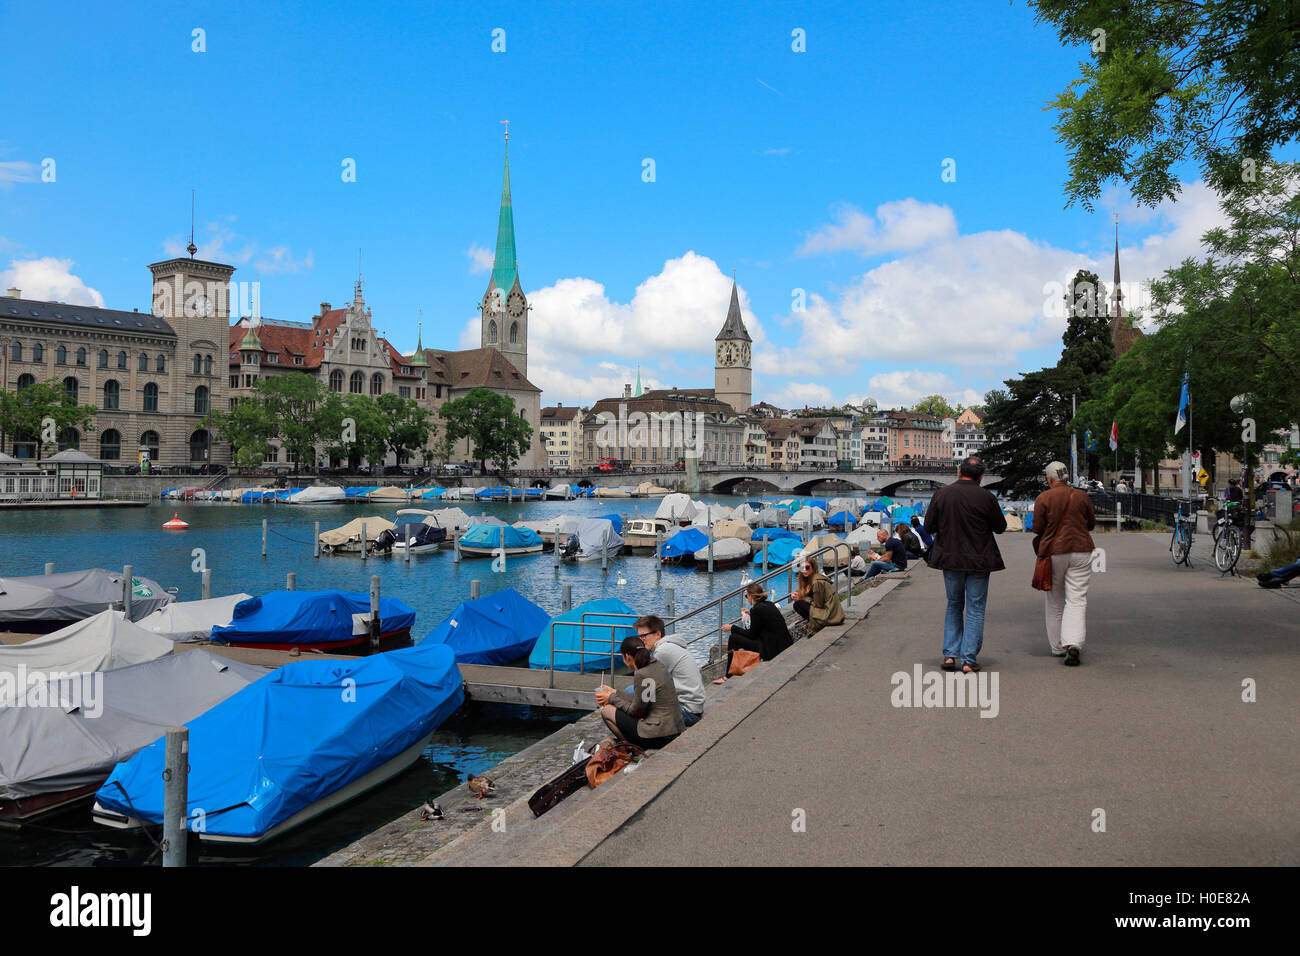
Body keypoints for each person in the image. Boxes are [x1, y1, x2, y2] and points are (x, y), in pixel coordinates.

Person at [924, 456, 1007, 674]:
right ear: (981, 477)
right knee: (975, 608)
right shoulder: (986, 497)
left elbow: (928, 525)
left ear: (959, 473)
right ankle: (969, 659)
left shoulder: (942, 494)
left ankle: (950, 655)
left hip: (950, 557)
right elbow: (1000, 527)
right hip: (979, 559)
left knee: (954, 604)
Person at [1032, 460, 1097, 667]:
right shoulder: (1081, 496)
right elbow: (1091, 524)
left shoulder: (1044, 497)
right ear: (1067, 477)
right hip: (1081, 550)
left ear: (1050, 479)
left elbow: (1037, 528)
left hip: (1054, 553)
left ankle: (1058, 647)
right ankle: (1074, 644)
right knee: (1077, 599)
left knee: (1055, 600)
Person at [595, 636, 685, 749]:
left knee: (606, 711)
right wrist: (615, 692)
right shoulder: (656, 664)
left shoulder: (642, 674)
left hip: (660, 735)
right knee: (616, 704)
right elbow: (642, 702)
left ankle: (634, 747)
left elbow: (636, 711)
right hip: (673, 729)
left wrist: (611, 698)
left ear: (627, 657)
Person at [635, 614, 704, 727]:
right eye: (639, 637)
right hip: (693, 706)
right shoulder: (668, 646)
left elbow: (647, 687)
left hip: (687, 711)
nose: (641, 640)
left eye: (644, 636)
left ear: (658, 634)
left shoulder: (662, 651)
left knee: (630, 694)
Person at [719, 582, 794, 677]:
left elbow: (752, 635)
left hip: (770, 650)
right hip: (784, 644)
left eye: (746, 596)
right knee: (737, 636)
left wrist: (732, 627)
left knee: (733, 638)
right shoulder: (769, 604)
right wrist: (751, 615)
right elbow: (764, 623)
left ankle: (728, 675)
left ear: (750, 596)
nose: (747, 598)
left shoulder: (756, 610)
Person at [791, 555, 845, 634]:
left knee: (798, 604)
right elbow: (809, 594)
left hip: (830, 616)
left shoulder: (817, 582)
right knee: (799, 603)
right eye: (802, 568)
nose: (804, 570)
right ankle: (814, 622)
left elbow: (818, 605)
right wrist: (797, 593)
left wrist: (802, 598)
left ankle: (817, 624)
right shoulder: (810, 579)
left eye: (807, 567)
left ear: (813, 568)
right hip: (830, 613)